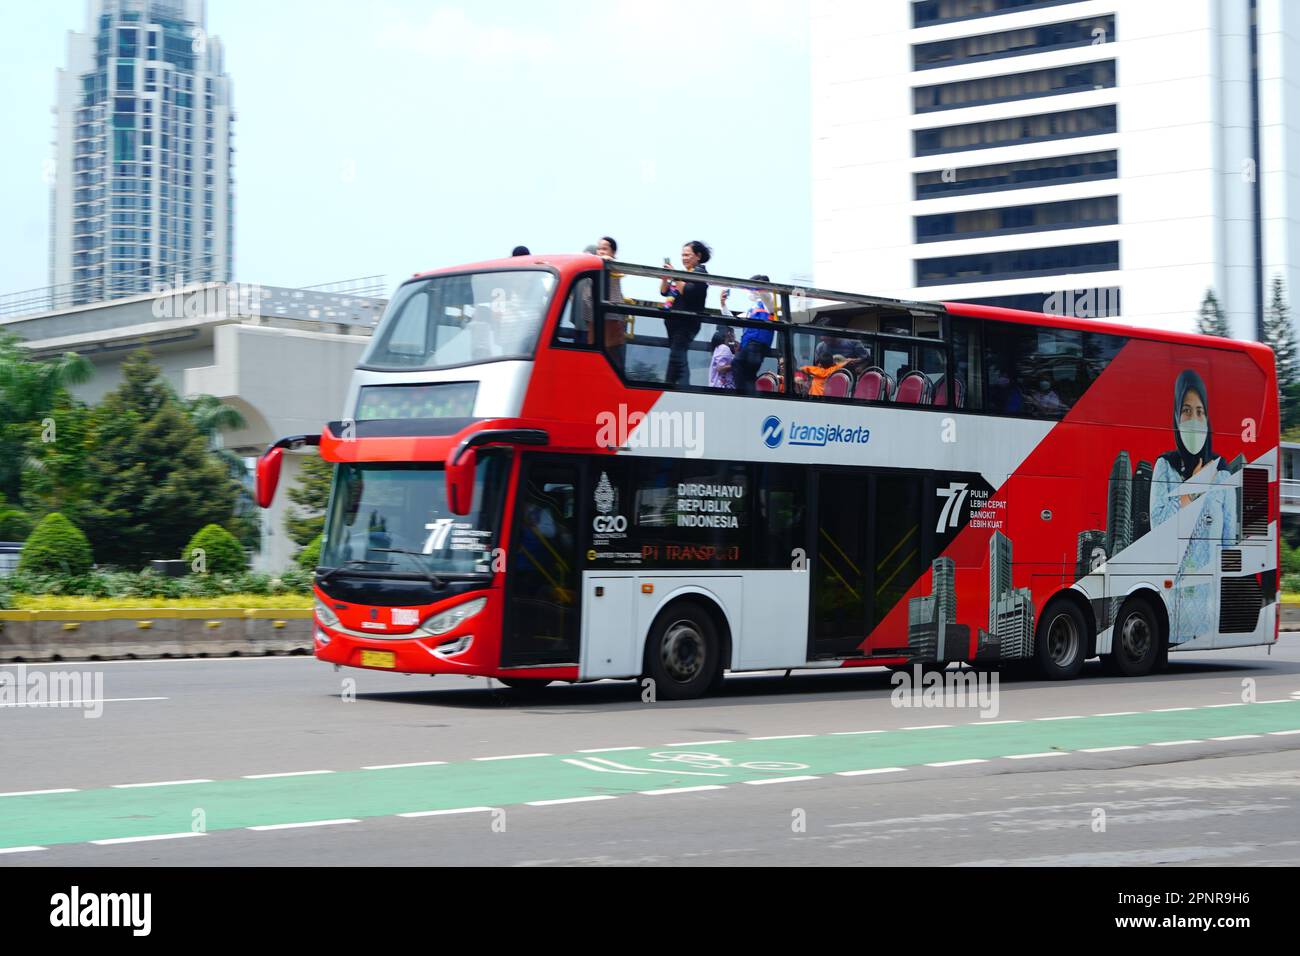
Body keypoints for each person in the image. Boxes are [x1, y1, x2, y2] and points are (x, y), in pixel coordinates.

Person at [1149, 369, 1238, 645]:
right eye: (1186, 411)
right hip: (1171, 604)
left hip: (1207, 606)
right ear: (1176, 418)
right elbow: (1158, 529)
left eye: (1200, 411)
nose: (1194, 419)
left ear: (1208, 418)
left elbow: (1228, 544)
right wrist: (1190, 491)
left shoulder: (1222, 473)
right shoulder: (1165, 467)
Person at [660, 241, 711, 386]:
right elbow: (664, 292)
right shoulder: (683, 274)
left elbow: (688, 292)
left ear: (698, 256)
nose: (684, 258)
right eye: (682, 255)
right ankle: (682, 388)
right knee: (679, 358)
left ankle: (668, 387)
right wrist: (665, 277)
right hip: (675, 324)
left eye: (688, 255)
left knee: (676, 356)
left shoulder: (700, 272)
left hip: (687, 323)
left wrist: (675, 276)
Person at [720, 275, 776, 394]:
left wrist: (757, 286)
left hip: (757, 345)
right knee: (749, 375)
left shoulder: (768, 304)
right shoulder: (752, 309)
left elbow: (766, 296)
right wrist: (723, 304)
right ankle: (749, 397)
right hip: (750, 346)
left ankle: (742, 395)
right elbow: (734, 321)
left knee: (737, 363)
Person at [593, 236, 627, 367]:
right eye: (599, 249)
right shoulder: (595, 264)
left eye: (604, 249)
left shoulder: (612, 264)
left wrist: (608, 260)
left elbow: (621, 271)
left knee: (613, 357)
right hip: (595, 318)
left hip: (612, 317)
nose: (600, 252)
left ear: (613, 252)